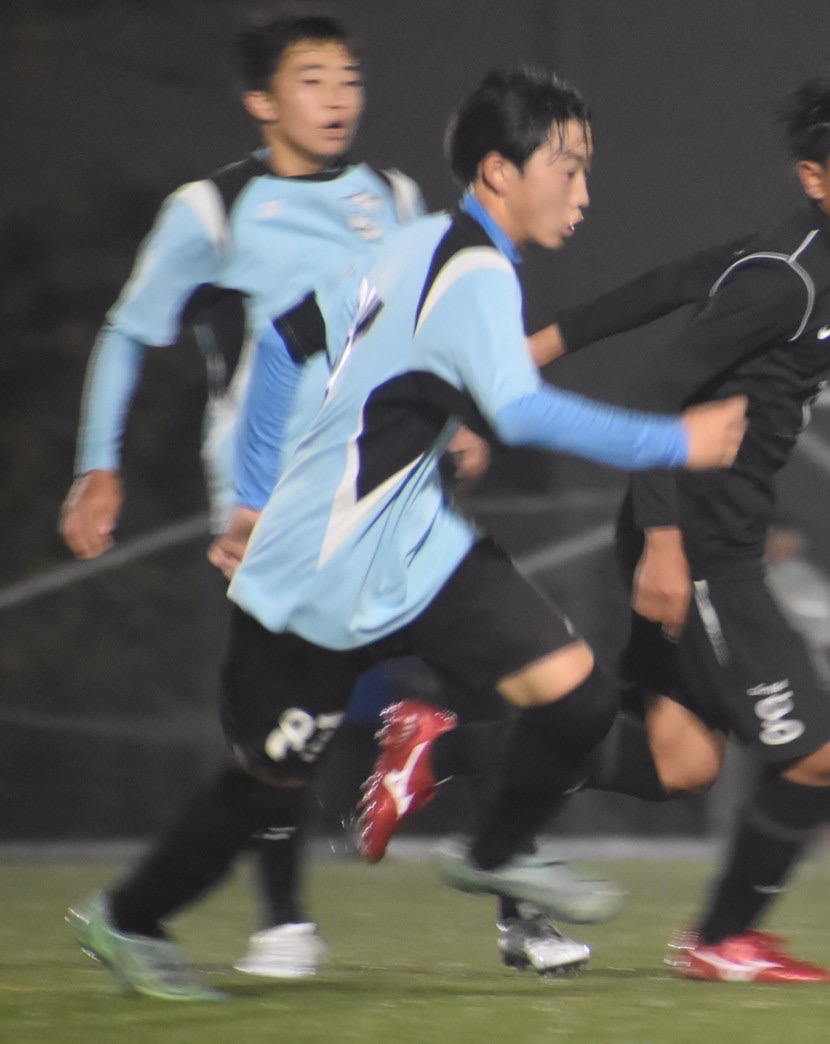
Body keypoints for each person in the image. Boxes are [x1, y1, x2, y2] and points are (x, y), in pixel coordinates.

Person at [65, 63, 747, 1002]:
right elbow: (519, 412)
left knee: (580, 697)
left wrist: (254, 488)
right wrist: (678, 439)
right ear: (500, 172)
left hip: (420, 552)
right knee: (263, 788)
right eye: (569, 168)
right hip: (321, 572)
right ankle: (129, 918)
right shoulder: (467, 271)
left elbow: (288, 336)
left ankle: (494, 851)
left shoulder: (418, 241)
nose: (585, 193)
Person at [537, 48, 830, 982]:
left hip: (701, 533)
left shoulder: (809, 254)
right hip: (700, 539)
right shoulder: (792, 277)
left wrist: (540, 340)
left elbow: (671, 280)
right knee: (821, 753)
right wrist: (666, 544)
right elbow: (655, 393)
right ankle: (721, 941)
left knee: (679, 761)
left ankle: (441, 747)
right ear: (815, 179)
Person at [57, 13, 431, 980]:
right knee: (287, 724)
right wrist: (99, 464)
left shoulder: (392, 196)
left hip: (387, 483)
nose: (338, 97)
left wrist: (458, 417)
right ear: (262, 102)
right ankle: (266, 918)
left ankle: (505, 886)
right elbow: (129, 332)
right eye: (312, 80)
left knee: (487, 663)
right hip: (270, 508)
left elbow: (425, 323)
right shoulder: (213, 211)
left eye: (349, 78)